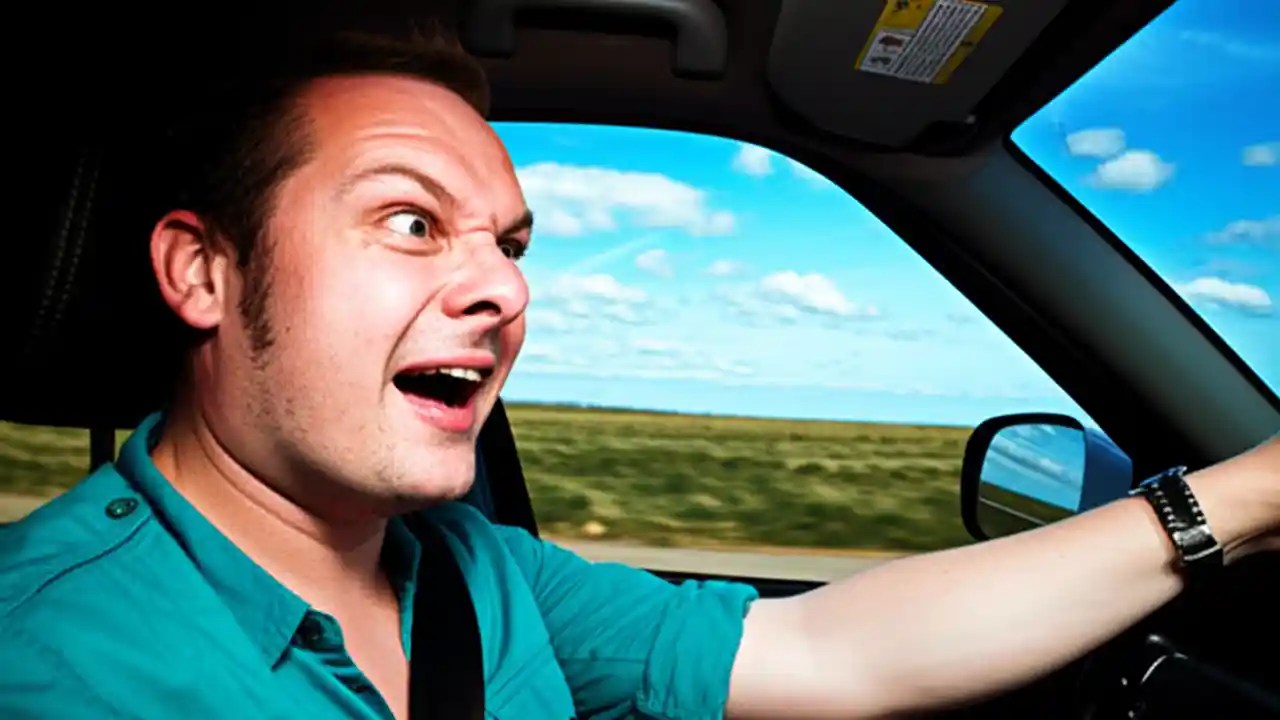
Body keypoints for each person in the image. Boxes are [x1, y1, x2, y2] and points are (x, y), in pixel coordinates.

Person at [1, 19, 1276, 720]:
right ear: (202, 275)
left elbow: (835, 654)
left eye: (509, 243)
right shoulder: (47, 658)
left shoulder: (476, 575)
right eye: (407, 221)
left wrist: (1247, 494)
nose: (503, 289)